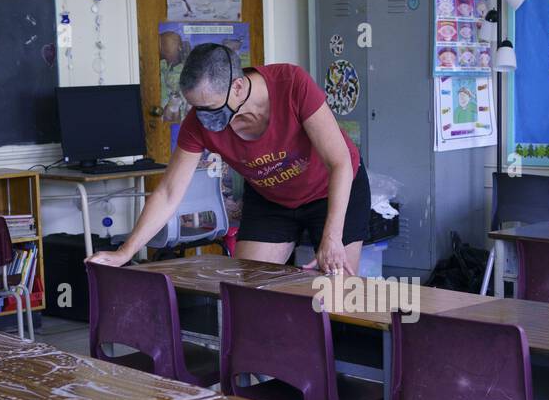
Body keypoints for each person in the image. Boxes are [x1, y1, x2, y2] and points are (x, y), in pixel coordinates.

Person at [86, 44, 369, 275]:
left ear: (237, 86)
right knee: (248, 289)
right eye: (195, 107)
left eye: (209, 107)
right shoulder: (197, 123)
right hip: (271, 199)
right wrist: (125, 252)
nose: (201, 117)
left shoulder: (292, 84)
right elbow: (169, 193)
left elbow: (340, 162)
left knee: (335, 291)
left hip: (331, 189)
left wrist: (332, 237)